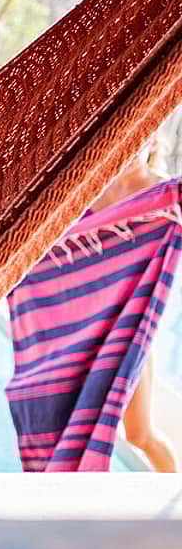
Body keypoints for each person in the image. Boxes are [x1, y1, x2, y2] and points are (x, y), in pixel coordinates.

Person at [84, 141, 178, 473]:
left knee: (139, 434)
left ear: (153, 140)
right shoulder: (89, 189)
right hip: (86, 326)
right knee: (79, 436)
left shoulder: (163, 190)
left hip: (134, 329)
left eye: (145, 135)